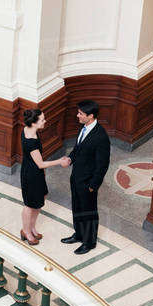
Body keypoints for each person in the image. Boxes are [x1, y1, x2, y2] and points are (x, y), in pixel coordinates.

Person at [60, 100, 111, 255]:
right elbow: (78, 149)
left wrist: (93, 185)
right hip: (76, 178)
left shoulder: (101, 136)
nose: (77, 116)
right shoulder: (83, 129)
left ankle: (89, 242)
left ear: (91, 116)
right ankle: (79, 234)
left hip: (88, 182)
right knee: (77, 207)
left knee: (88, 212)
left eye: (81, 113)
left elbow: (102, 164)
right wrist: (70, 159)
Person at [20, 109, 69, 245]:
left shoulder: (28, 129)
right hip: (31, 174)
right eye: (42, 119)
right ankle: (26, 231)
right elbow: (40, 164)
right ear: (34, 123)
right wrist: (60, 161)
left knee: (41, 197)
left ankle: (32, 227)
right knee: (30, 204)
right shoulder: (31, 142)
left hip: (33, 171)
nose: (45, 121)